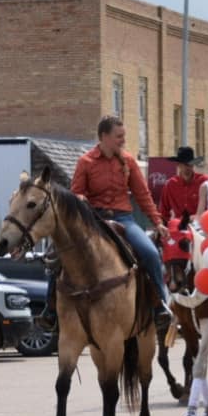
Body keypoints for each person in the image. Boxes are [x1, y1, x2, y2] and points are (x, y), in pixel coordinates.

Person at [71, 115, 172, 329]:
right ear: (104, 136)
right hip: (95, 220)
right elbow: (76, 194)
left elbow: (143, 195)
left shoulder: (129, 161)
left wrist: (157, 222)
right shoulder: (85, 162)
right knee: (60, 254)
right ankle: (51, 310)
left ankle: (160, 305)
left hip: (124, 219)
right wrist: (80, 199)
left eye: (123, 135)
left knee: (151, 253)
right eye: (119, 136)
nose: (123, 140)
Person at [158, 147, 207, 229]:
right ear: (178, 165)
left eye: (191, 164)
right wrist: (163, 228)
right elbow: (163, 212)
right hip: (179, 228)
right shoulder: (170, 185)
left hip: (201, 227)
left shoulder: (204, 182)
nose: (188, 168)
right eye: (185, 164)